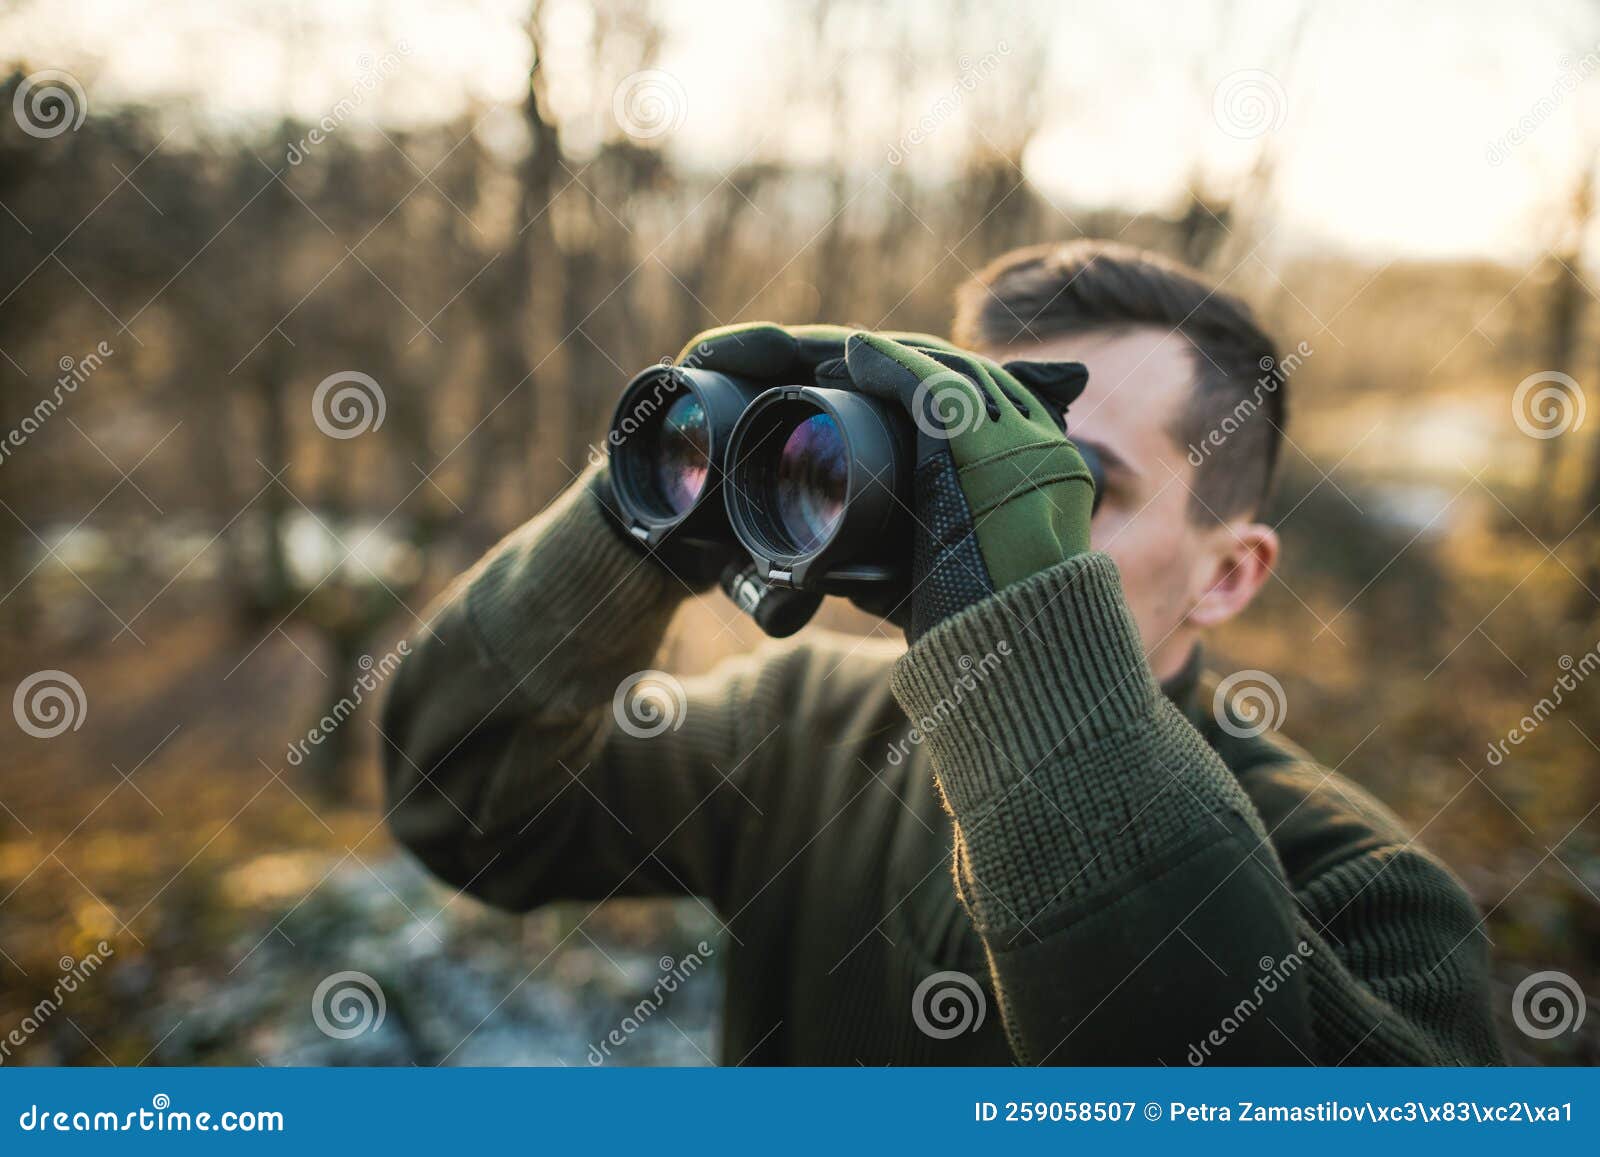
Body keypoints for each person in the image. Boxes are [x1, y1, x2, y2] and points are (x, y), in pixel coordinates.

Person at [379, 239, 1504, 1065]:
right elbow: (466, 801)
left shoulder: (1368, 892)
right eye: (960, 460)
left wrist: (1031, 653)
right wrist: (653, 510)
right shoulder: (807, 726)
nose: (968, 518)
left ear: (1228, 572)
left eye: (1071, 486)